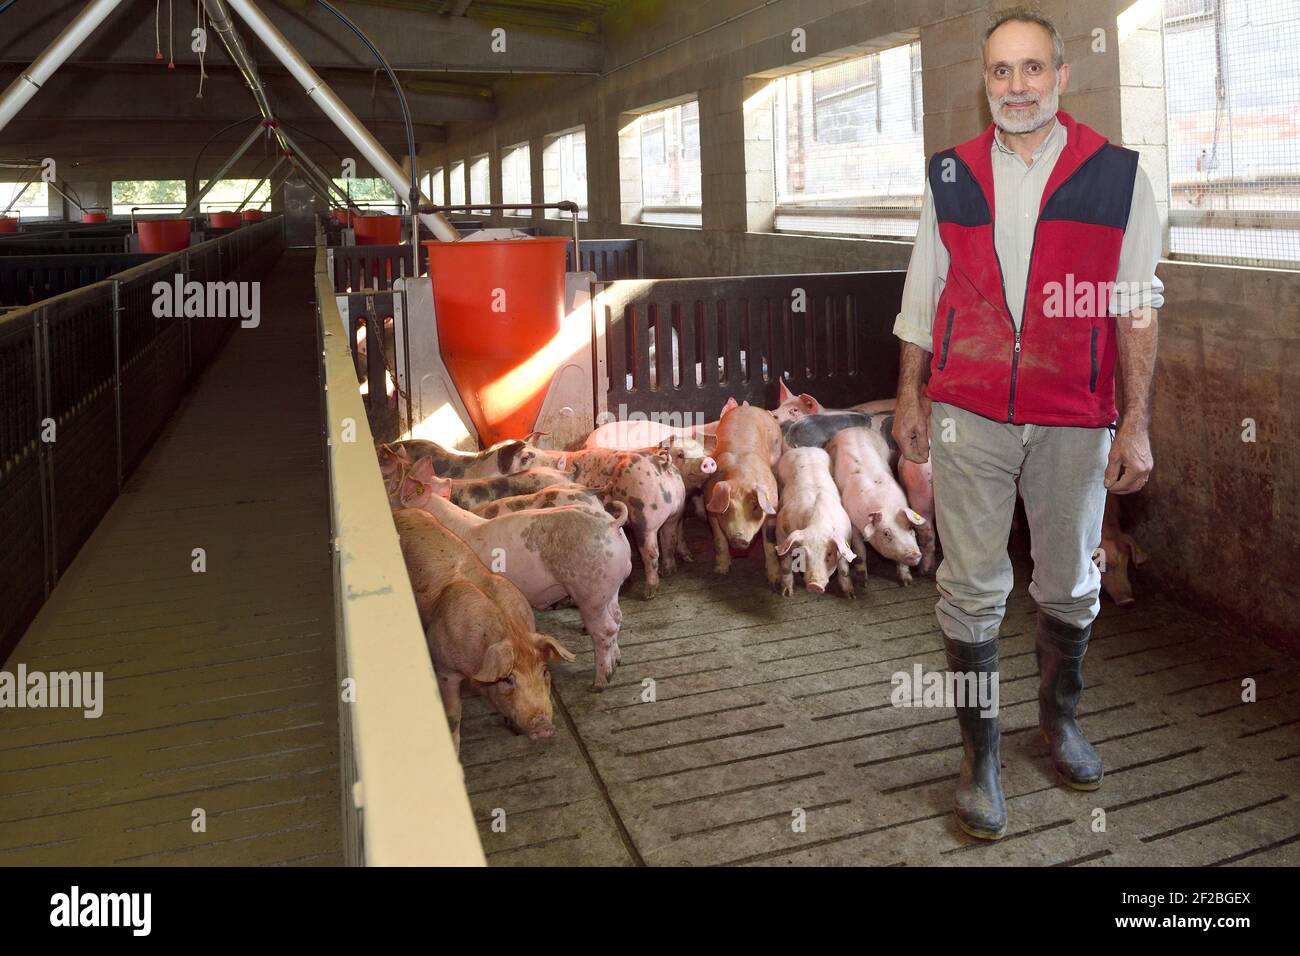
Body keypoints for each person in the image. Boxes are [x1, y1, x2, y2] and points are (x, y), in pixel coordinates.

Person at [890, 8, 1162, 840]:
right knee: (970, 587)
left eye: (1032, 69)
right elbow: (921, 292)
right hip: (969, 411)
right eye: (1001, 72)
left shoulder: (1118, 176)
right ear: (985, 81)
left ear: (1060, 77)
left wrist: (1136, 424)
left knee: (1072, 581)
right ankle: (980, 758)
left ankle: (1060, 720)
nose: (1016, 87)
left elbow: (1137, 308)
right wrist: (911, 394)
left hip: (1075, 413)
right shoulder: (950, 174)